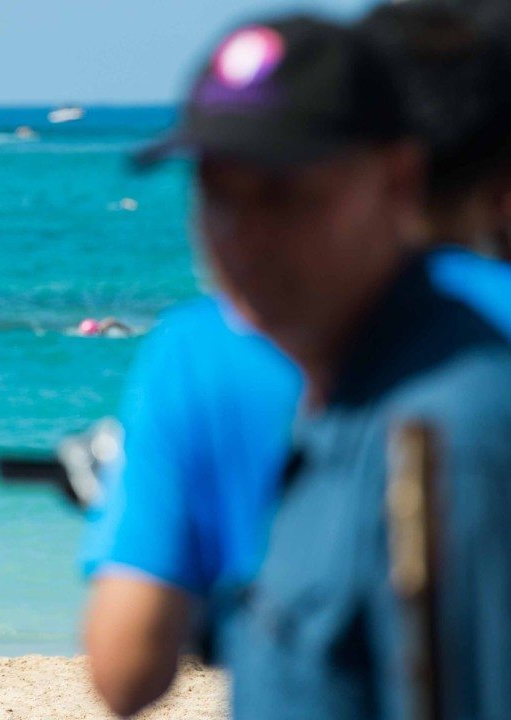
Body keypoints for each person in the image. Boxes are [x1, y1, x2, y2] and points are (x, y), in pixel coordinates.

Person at [82, 10, 511, 719]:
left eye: (283, 195)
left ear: (398, 182)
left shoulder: (450, 431)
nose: (242, 236)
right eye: (218, 192)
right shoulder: (335, 398)